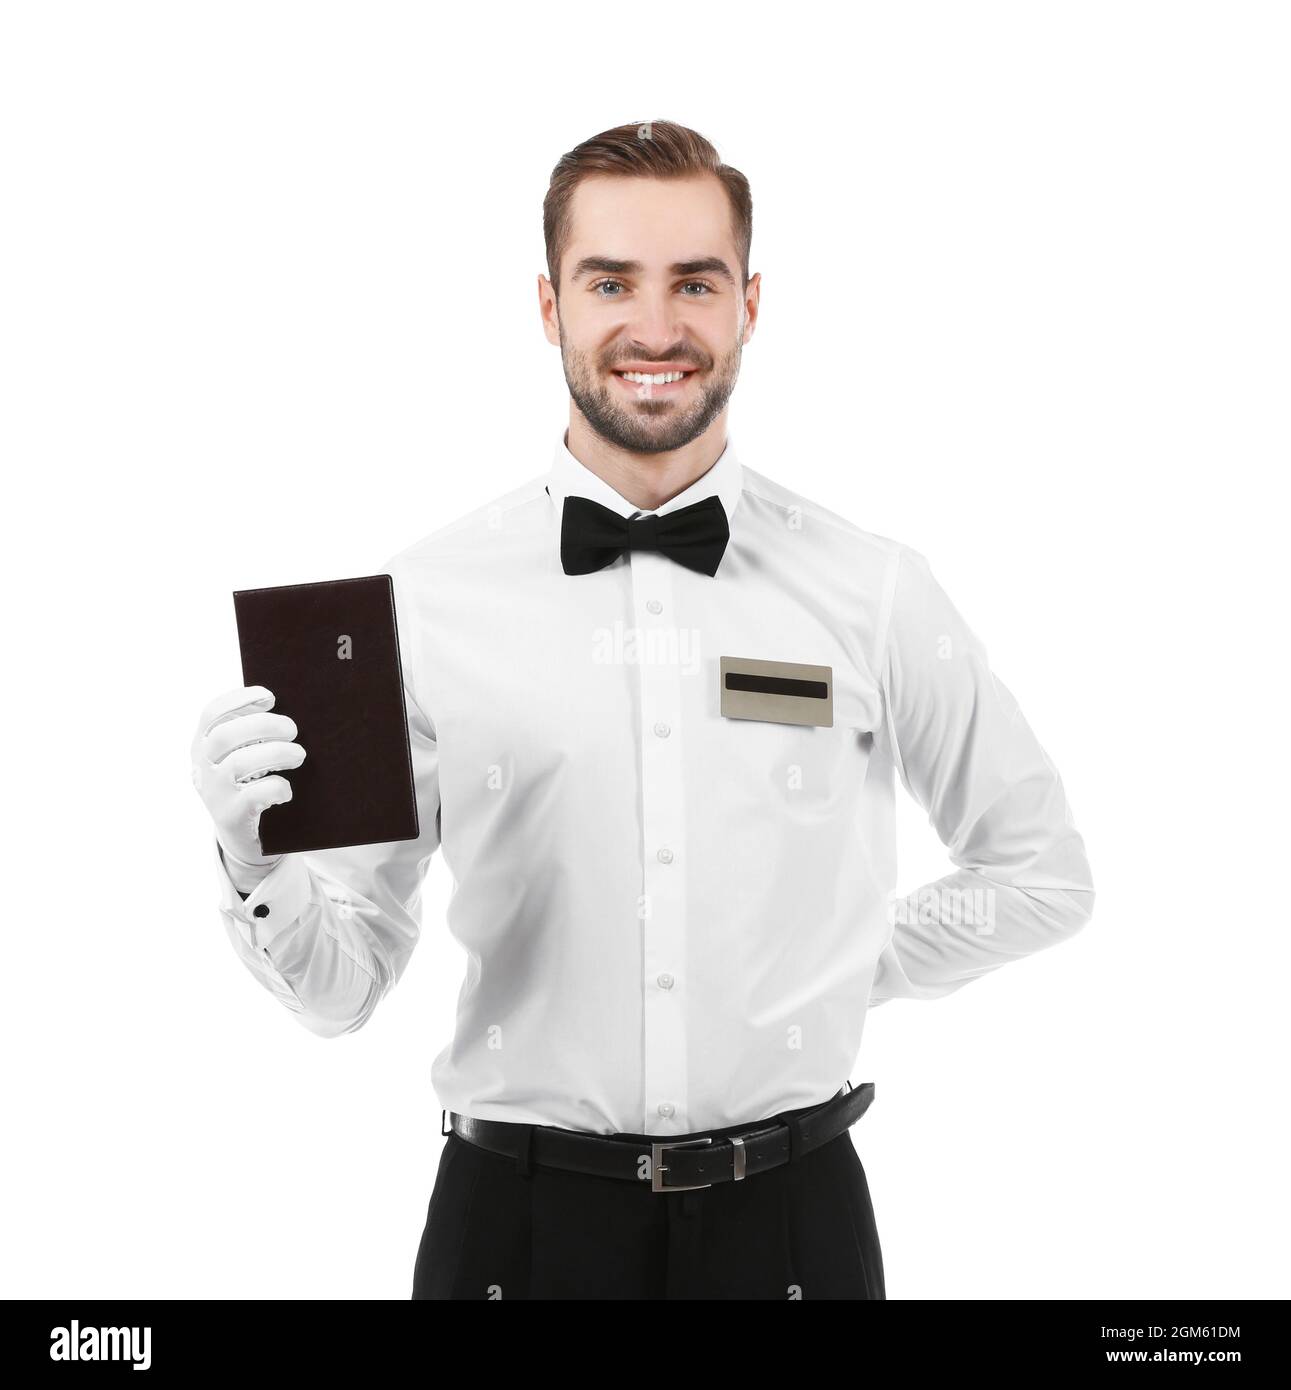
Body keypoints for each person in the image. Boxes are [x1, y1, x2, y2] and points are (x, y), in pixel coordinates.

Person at [190, 119, 1095, 1300]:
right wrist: (252, 856)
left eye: (695, 283)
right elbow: (342, 983)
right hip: (510, 1238)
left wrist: (831, 965)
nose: (655, 328)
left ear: (751, 304)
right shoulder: (412, 602)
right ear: (550, 303)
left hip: (794, 1232)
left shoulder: (873, 590)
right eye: (610, 280)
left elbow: (1043, 877)